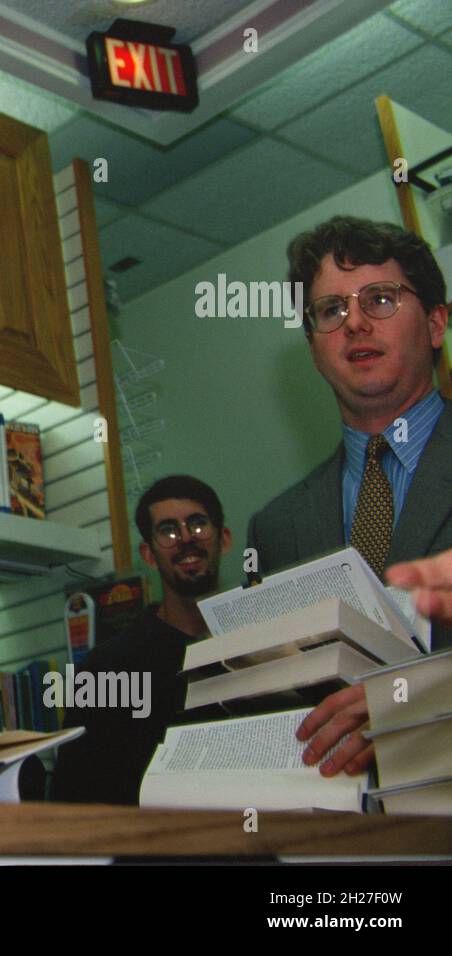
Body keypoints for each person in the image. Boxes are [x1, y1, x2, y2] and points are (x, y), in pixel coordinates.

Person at [247, 215, 450, 779]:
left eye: (380, 299)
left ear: (436, 323)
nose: (355, 322)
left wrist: (417, 701)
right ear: (313, 349)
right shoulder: (276, 529)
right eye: (331, 311)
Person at [52, 476, 230, 805]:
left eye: (198, 524)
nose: (187, 539)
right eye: (169, 531)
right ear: (148, 554)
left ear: (224, 538)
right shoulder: (106, 670)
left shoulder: (261, 646)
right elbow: (74, 800)